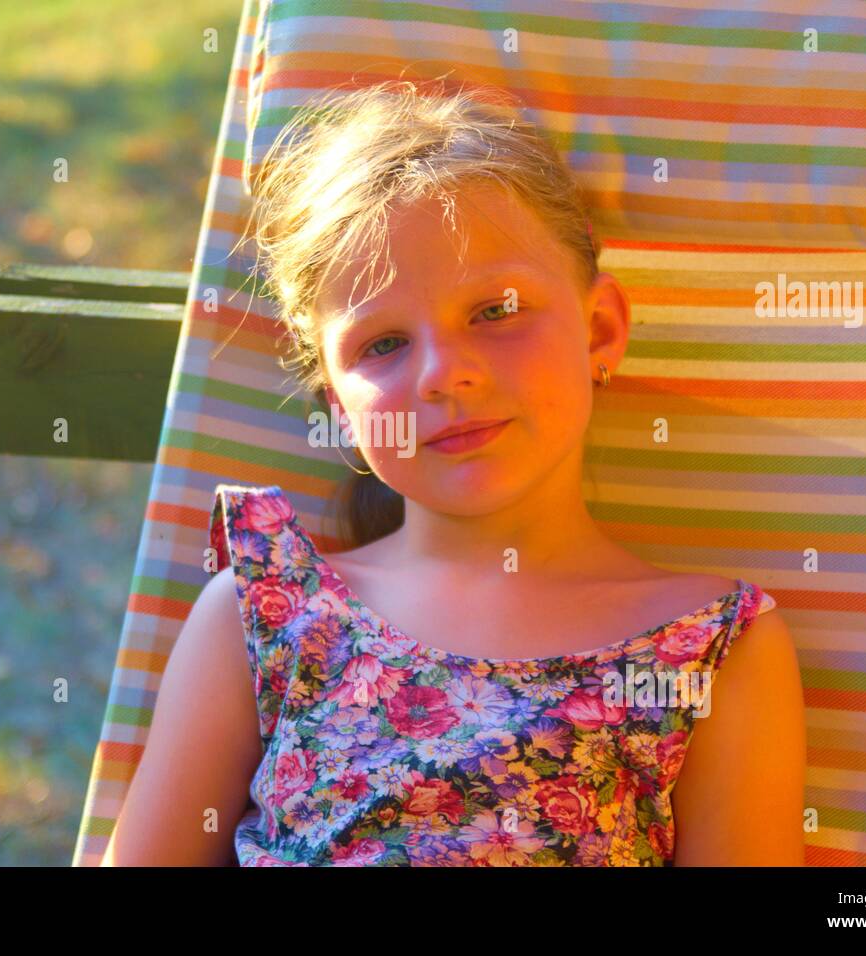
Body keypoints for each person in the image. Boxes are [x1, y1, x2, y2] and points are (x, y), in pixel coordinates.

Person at [103, 81, 806, 866]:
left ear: (599, 330)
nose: (444, 374)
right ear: (341, 408)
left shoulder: (710, 646)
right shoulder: (265, 616)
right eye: (383, 344)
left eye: (495, 311)